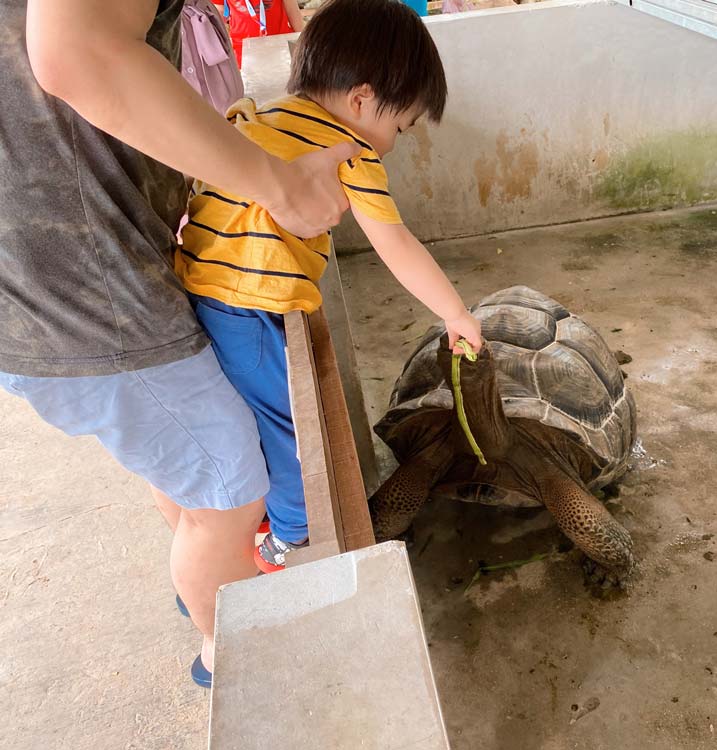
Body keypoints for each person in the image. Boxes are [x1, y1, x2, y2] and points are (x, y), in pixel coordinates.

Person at [3, 0, 360, 687]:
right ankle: (228, 651)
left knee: (191, 472)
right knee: (232, 494)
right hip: (87, 292)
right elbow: (75, 52)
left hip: (54, 278)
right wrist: (278, 184)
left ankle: (203, 571)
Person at [177, 0, 483, 574]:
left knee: (242, 420)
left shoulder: (259, 114)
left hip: (197, 289)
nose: (392, 143)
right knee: (295, 431)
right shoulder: (348, 149)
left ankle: (263, 518)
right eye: (399, 127)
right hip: (249, 310)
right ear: (361, 100)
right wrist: (455, 312)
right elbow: (395, 244)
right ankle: (293, 534)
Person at [223, 0, 304, 67]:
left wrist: (303, 43)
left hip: (281, 45)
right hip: (243, 50)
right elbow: (220, 12)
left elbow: (292, 10)